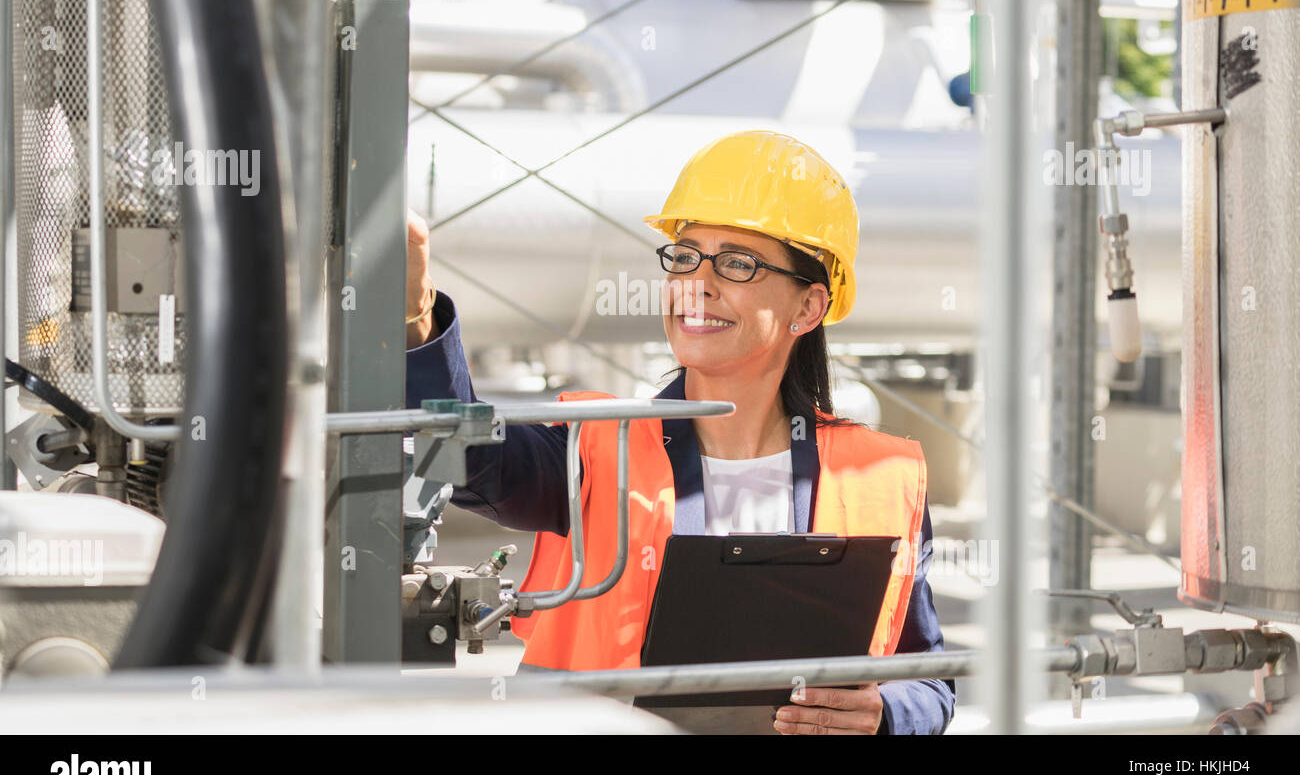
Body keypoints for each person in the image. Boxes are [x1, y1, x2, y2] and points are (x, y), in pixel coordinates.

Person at [405, 130, 956, 734]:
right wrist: (415, 317)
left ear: (808, 308)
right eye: (687, 255)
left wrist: (886, 713)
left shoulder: (879, 479)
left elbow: (927, 675)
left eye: (738, 263)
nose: (699, 281)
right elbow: (462, 458)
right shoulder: (595, 445)